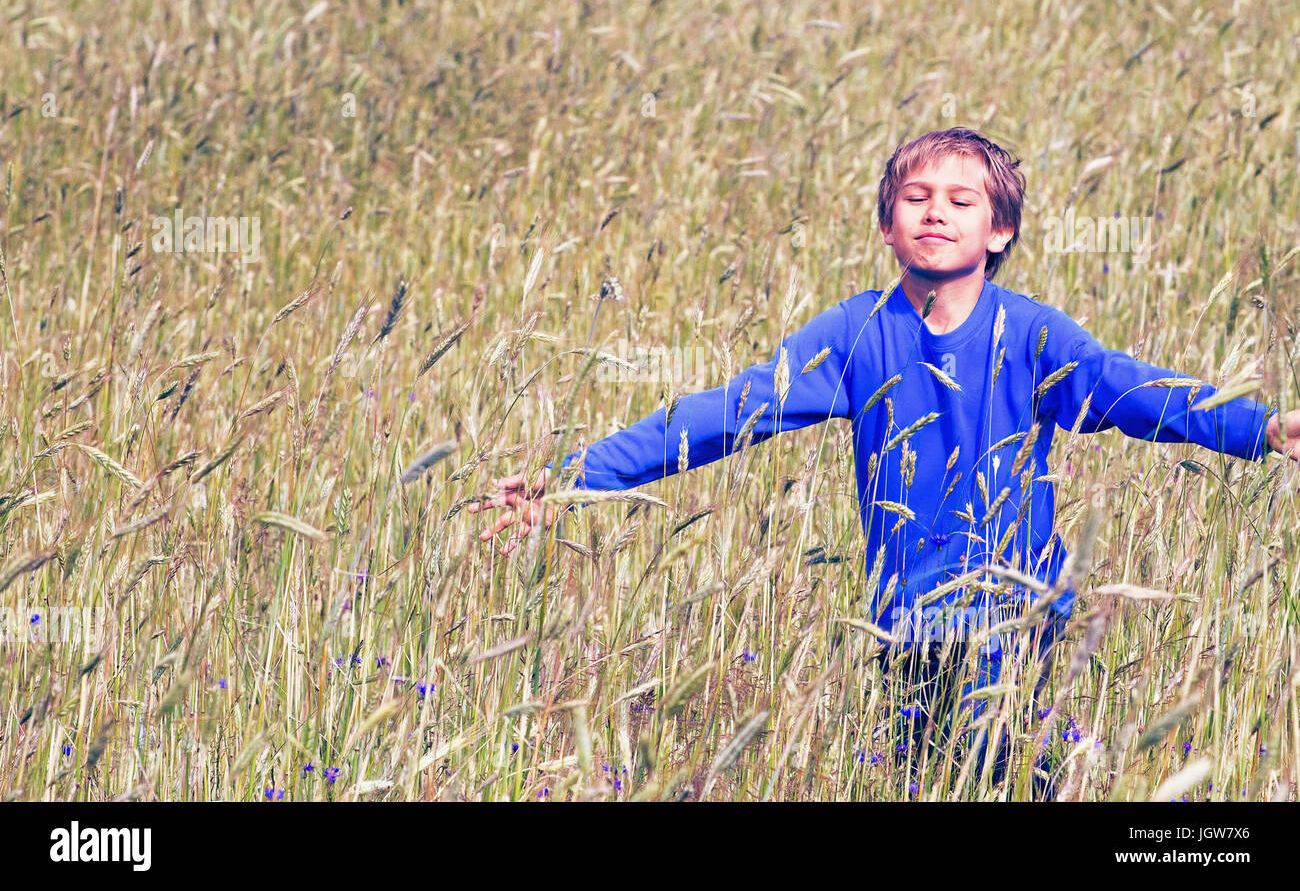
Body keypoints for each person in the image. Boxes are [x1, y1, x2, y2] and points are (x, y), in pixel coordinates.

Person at [469, 127, 1300, 798]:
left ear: (999, 229)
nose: (936, 212)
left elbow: (1134, 390)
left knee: (1004, 773)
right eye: (916, 198)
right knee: (922, 779)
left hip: (1015, 617)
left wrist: (1261, 427)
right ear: (886, 224)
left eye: (961, 200)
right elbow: (726, 414)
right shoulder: (854, 335)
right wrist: (575, 478)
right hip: (903, 620)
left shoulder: (1036, 334)